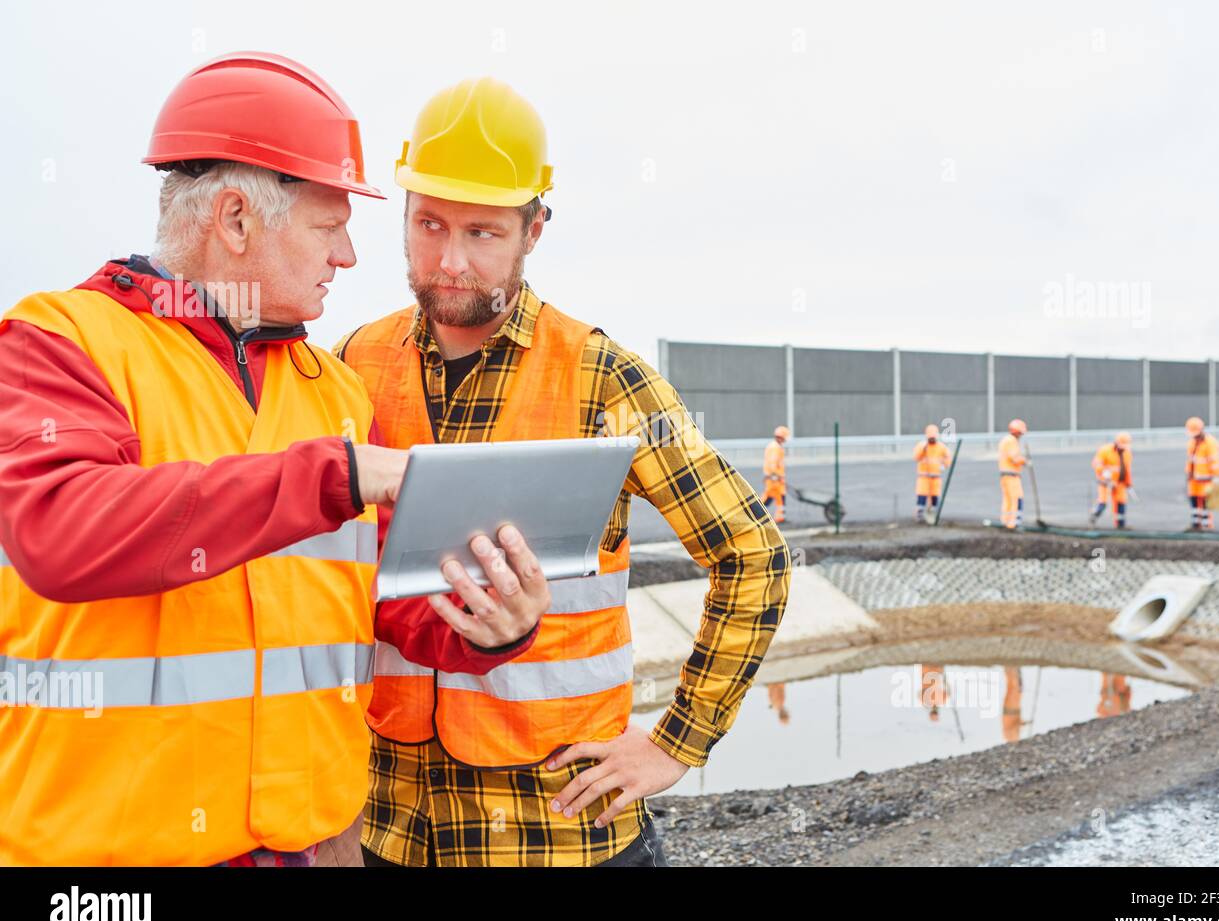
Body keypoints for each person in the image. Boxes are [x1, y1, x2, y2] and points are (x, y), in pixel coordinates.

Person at [0, 53, 547, 867]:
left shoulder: (332, 390)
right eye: (330, 227)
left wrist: (490, 625)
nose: (351, 257)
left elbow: (387, 602)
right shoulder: (60, 345)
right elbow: (60, 532)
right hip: (111, 868)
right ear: (235, 218)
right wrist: (337, 475)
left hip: (316, 846)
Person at [335, 77, 792, 867]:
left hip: (560, 831)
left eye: (482, 233)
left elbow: (754, 557)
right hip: (393, 826)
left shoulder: (602, 378)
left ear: (534, 229)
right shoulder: (351, 363)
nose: (448, 261)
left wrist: (678, 742)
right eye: (429, 225)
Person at [1089, 431, 1134, 529]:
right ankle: (1094, 515)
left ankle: (1120, 525)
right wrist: (1104, 471)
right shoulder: (1105, 450)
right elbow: (1096, 463)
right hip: (1106, 482)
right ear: (1117, 442)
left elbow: (1127, 470)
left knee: (1121, 502)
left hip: (1119, 483)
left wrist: (1128, 483)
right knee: (1103, 502)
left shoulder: (1127, 454)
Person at [1184, 416, 1219, 530]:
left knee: (1205, 502)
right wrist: (1188, 473)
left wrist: (1216, 476)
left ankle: (1207, 525)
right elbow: (1190, 459)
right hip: (1194, 479)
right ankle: (1196, 525)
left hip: (1206, 479)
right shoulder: (1192, 443)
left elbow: (1215, 461)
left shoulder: (1210, 443)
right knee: (1194, 501)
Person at [912, 424, 951, 523]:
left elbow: (948, 458)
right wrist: (923, 449)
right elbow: (916, 457)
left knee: (935, 496)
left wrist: (944, 466)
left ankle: (933, 515)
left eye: (933, 438)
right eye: (930, 438)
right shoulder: (922, 446)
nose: (932, 440)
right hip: (924, 477)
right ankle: (919, 515)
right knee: (922, 495)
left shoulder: (941, 447)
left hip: (936, 477)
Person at [997, 419, 1028, 530]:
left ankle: (1006, 521)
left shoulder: (1006, 440)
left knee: (1008, 499)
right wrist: (1025, 461)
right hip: (1011, 475)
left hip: (1005, 474)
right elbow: (1015, 458)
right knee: (1017, 498)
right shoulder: (1011, 441)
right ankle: (1014, 523)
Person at [764, 425, 791, 523]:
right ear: (781, 437)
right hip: (774, 478)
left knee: (781, 497)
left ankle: (780, 517)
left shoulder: (776, 446)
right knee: (768, 498)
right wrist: (778, 475)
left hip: (776, 478)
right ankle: (756, 515)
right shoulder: (774, 448)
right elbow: (772, 464)